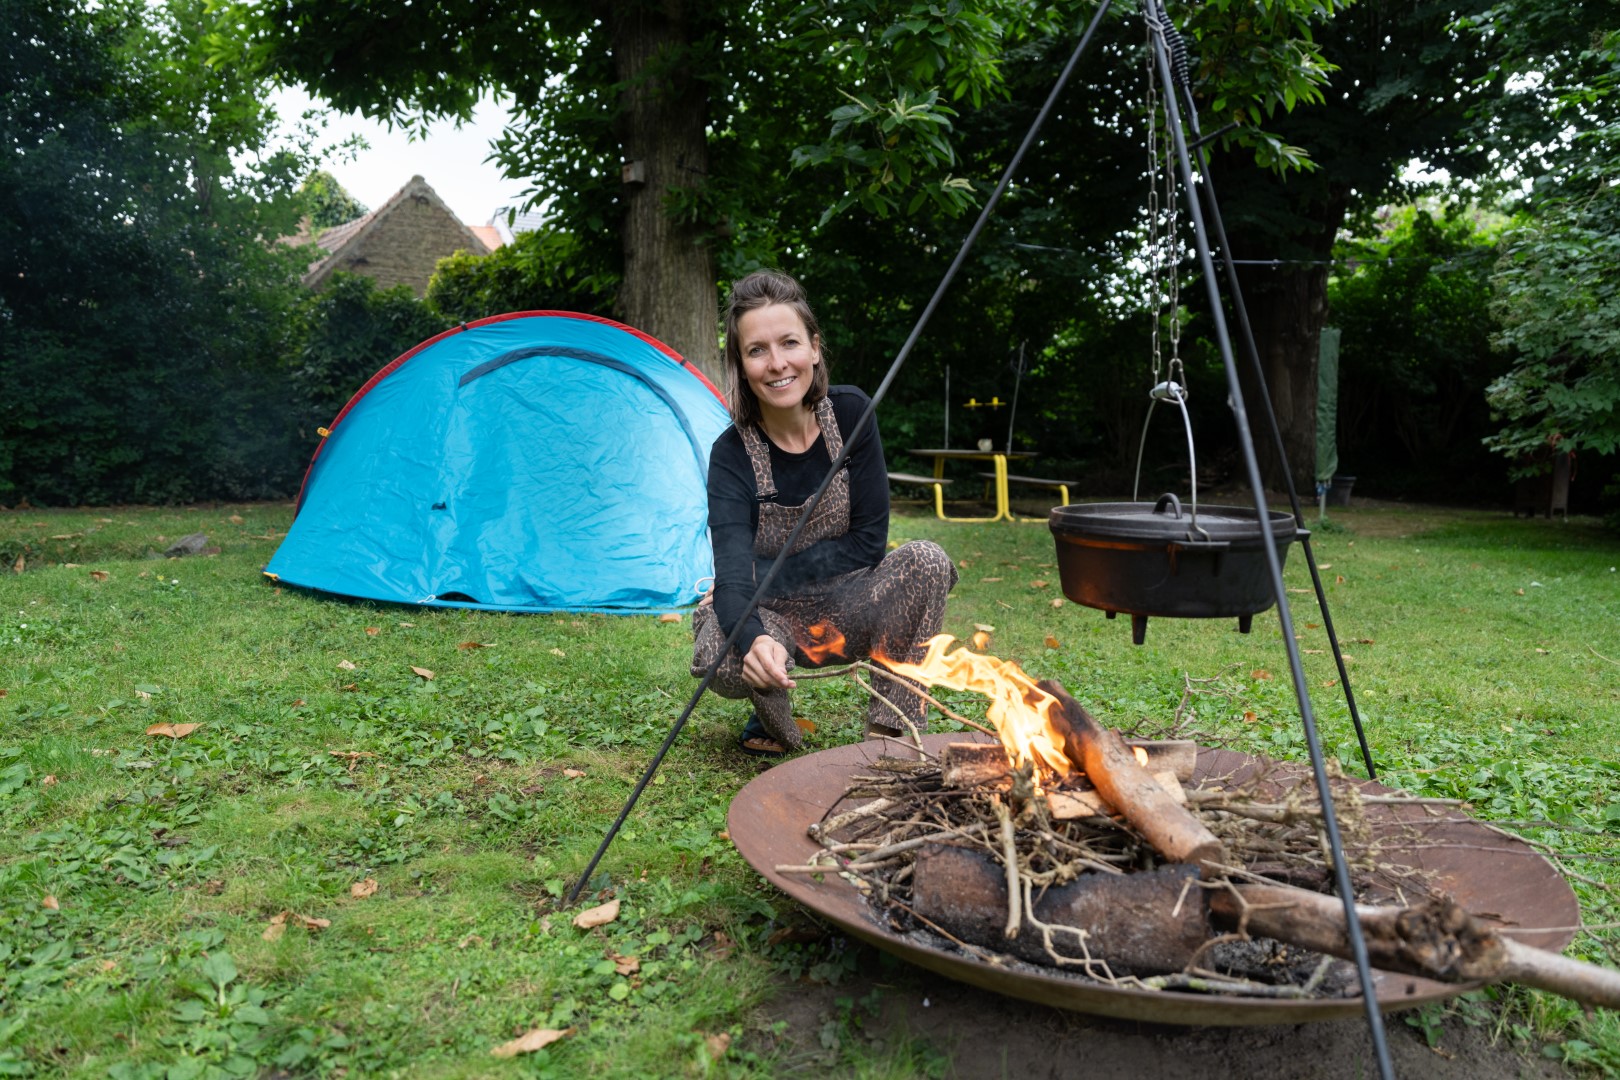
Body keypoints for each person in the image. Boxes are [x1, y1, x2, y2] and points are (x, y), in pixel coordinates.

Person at [691, 270, 958, 756]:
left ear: (814, 347)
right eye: (757, 351)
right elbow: (731, 583)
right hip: (765, 612)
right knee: (722, 655)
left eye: (789, 343)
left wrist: (760, 574)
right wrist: (752, 635)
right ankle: (771, 717)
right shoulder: (730, 455)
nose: (777, 364)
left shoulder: (853, 414)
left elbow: (867, 544)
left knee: (926, 559)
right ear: (741, 365)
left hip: (845, 603)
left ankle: (890, 732)